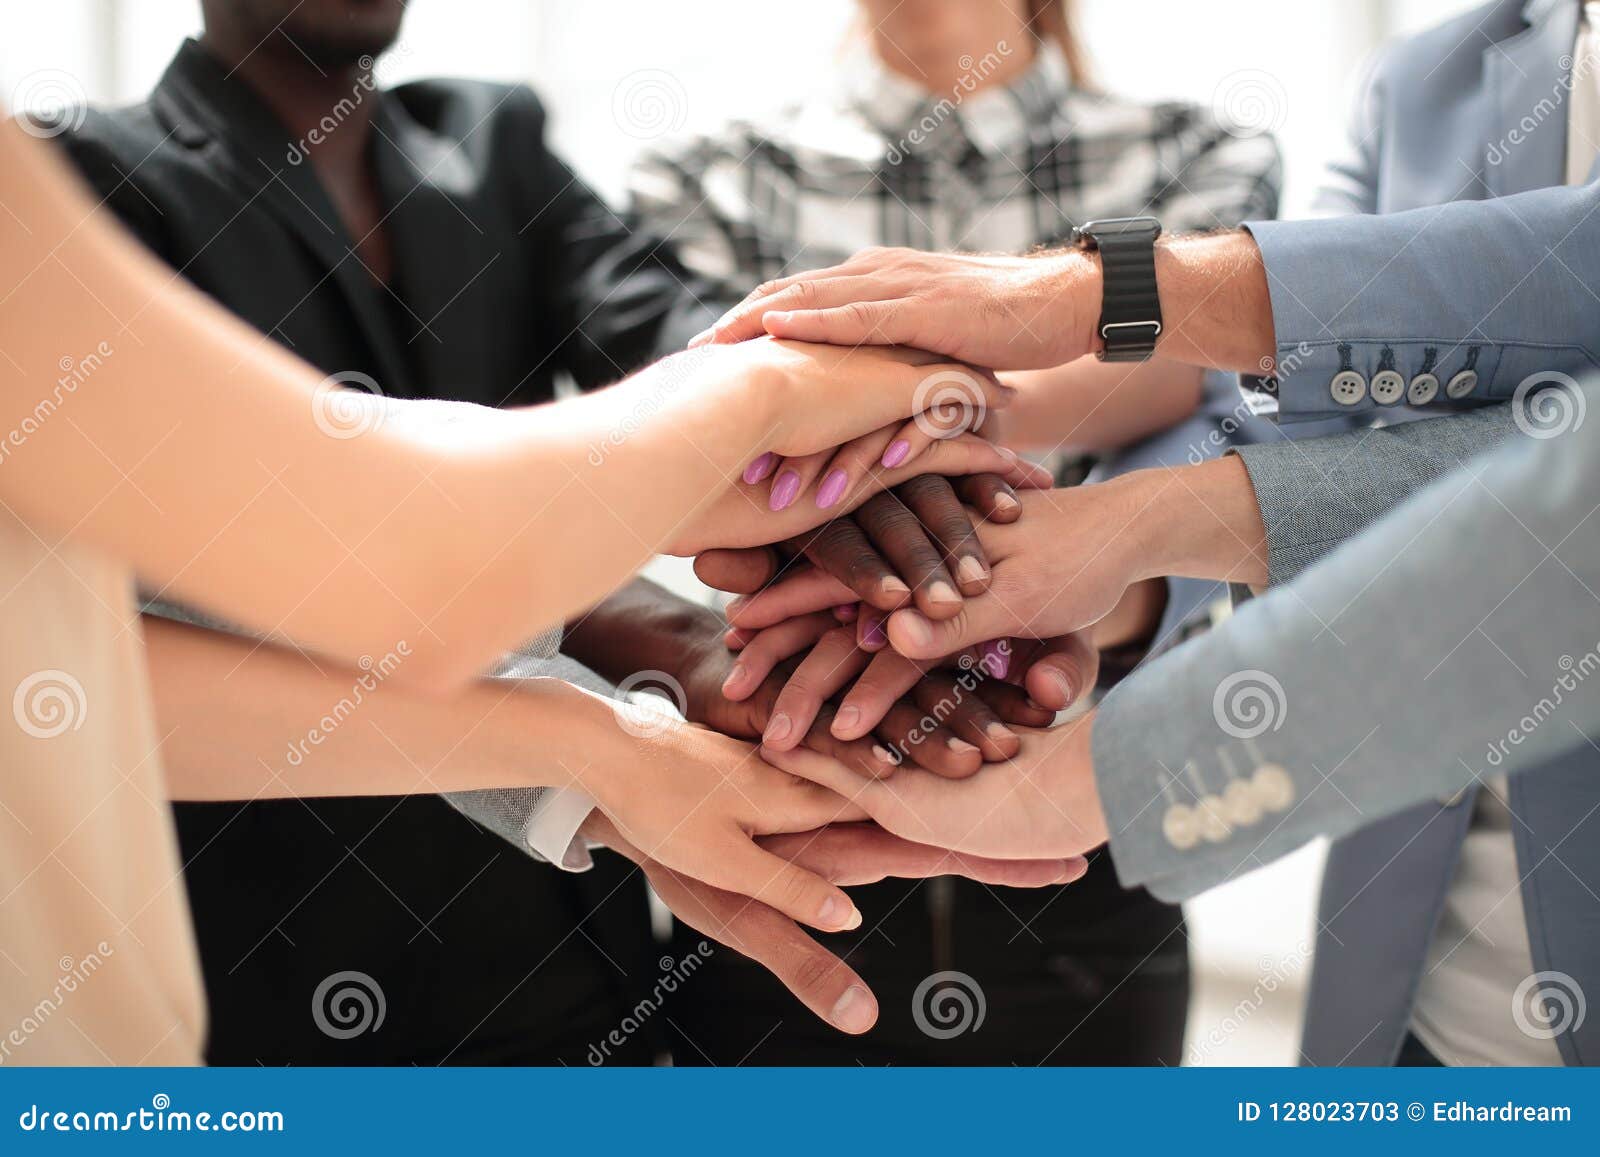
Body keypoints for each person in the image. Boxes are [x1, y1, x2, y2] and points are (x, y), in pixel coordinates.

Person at [46, 0, 1048, 1063]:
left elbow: (668, 338)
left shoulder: (492, 136)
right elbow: (227, 563)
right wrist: (702, 595)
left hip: (574, 938)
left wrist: (856, 487)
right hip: (279, 950)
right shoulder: (81, 182)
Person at [700, 162, 1600, 1066]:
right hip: (1416, 985)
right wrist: (1108, 543)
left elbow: (1562, 511)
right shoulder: (1417, 81)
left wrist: (1114, 539)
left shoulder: (1197, 146)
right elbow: (1313, 410)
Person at [625, 0, 1280, 1064]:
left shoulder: (1198, 153)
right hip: (795, 786)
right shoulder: (706, 176)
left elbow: (1198, 385)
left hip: (1084, 793)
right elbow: (703, 434)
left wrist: (868, 422)